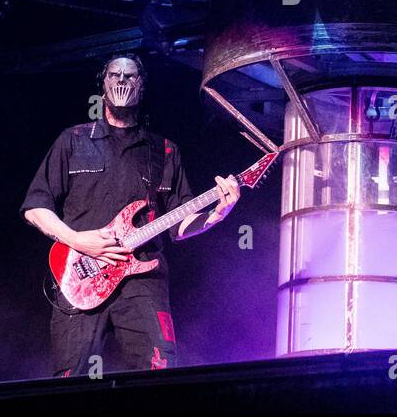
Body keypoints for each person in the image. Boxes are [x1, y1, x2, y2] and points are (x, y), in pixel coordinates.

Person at [20, 55, 240, 376]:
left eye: (131, 76)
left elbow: (179, 226)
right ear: (103, 82)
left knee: (161, 371)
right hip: (79, 274)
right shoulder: (73, 140)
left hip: (143, 282)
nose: (122, 81)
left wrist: (215, 216)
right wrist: (78, 240)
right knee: (70, 379)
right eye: (115, 75)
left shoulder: (165, 151)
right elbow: (35, 208)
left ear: (142, 84)